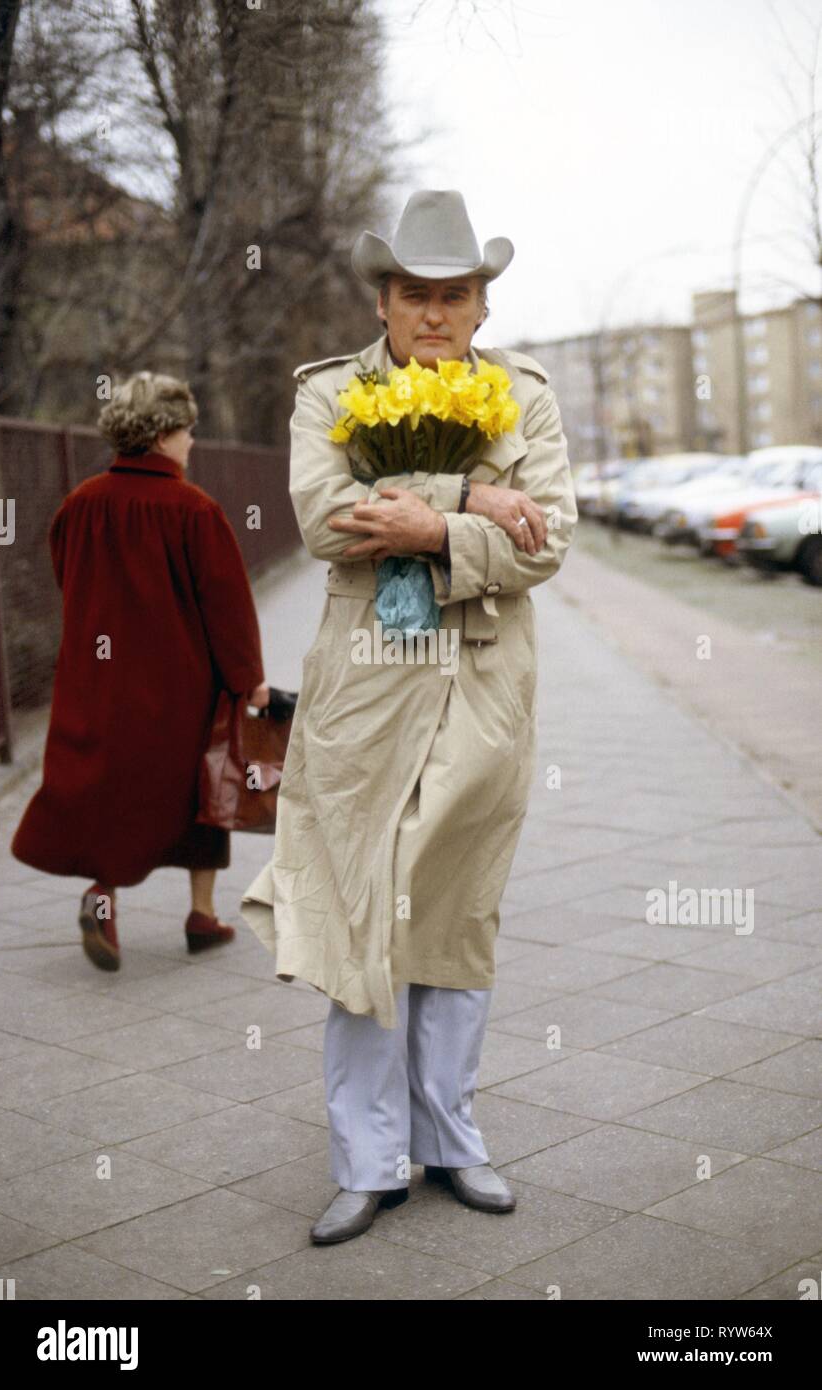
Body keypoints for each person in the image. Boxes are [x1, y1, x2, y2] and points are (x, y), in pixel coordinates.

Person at [240, 189, 578, 1243]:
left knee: (454, 917)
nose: (434, 314)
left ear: (480, 304)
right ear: (382, 299)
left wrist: (426, 527)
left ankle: (451, 1141)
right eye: (414, 294)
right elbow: (327, 520)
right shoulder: (328, 394)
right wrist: (470, 503)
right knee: (362, 911)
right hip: (366, 689)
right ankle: (366, 1158)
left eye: (454, 294)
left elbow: (551, 539)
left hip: (480, 685)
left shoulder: (523, 396)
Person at [11, 372, 270, 970]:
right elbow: (226, 604)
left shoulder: (80, 505)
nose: (192, 442)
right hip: (182, 686)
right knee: (205, 792)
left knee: (109, 794)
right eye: (186, 430)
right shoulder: (195, 511)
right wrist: (246, 677)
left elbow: (64, 575)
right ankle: (202, 915)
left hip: (96, 682)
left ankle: (102, 901)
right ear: (159, 434)